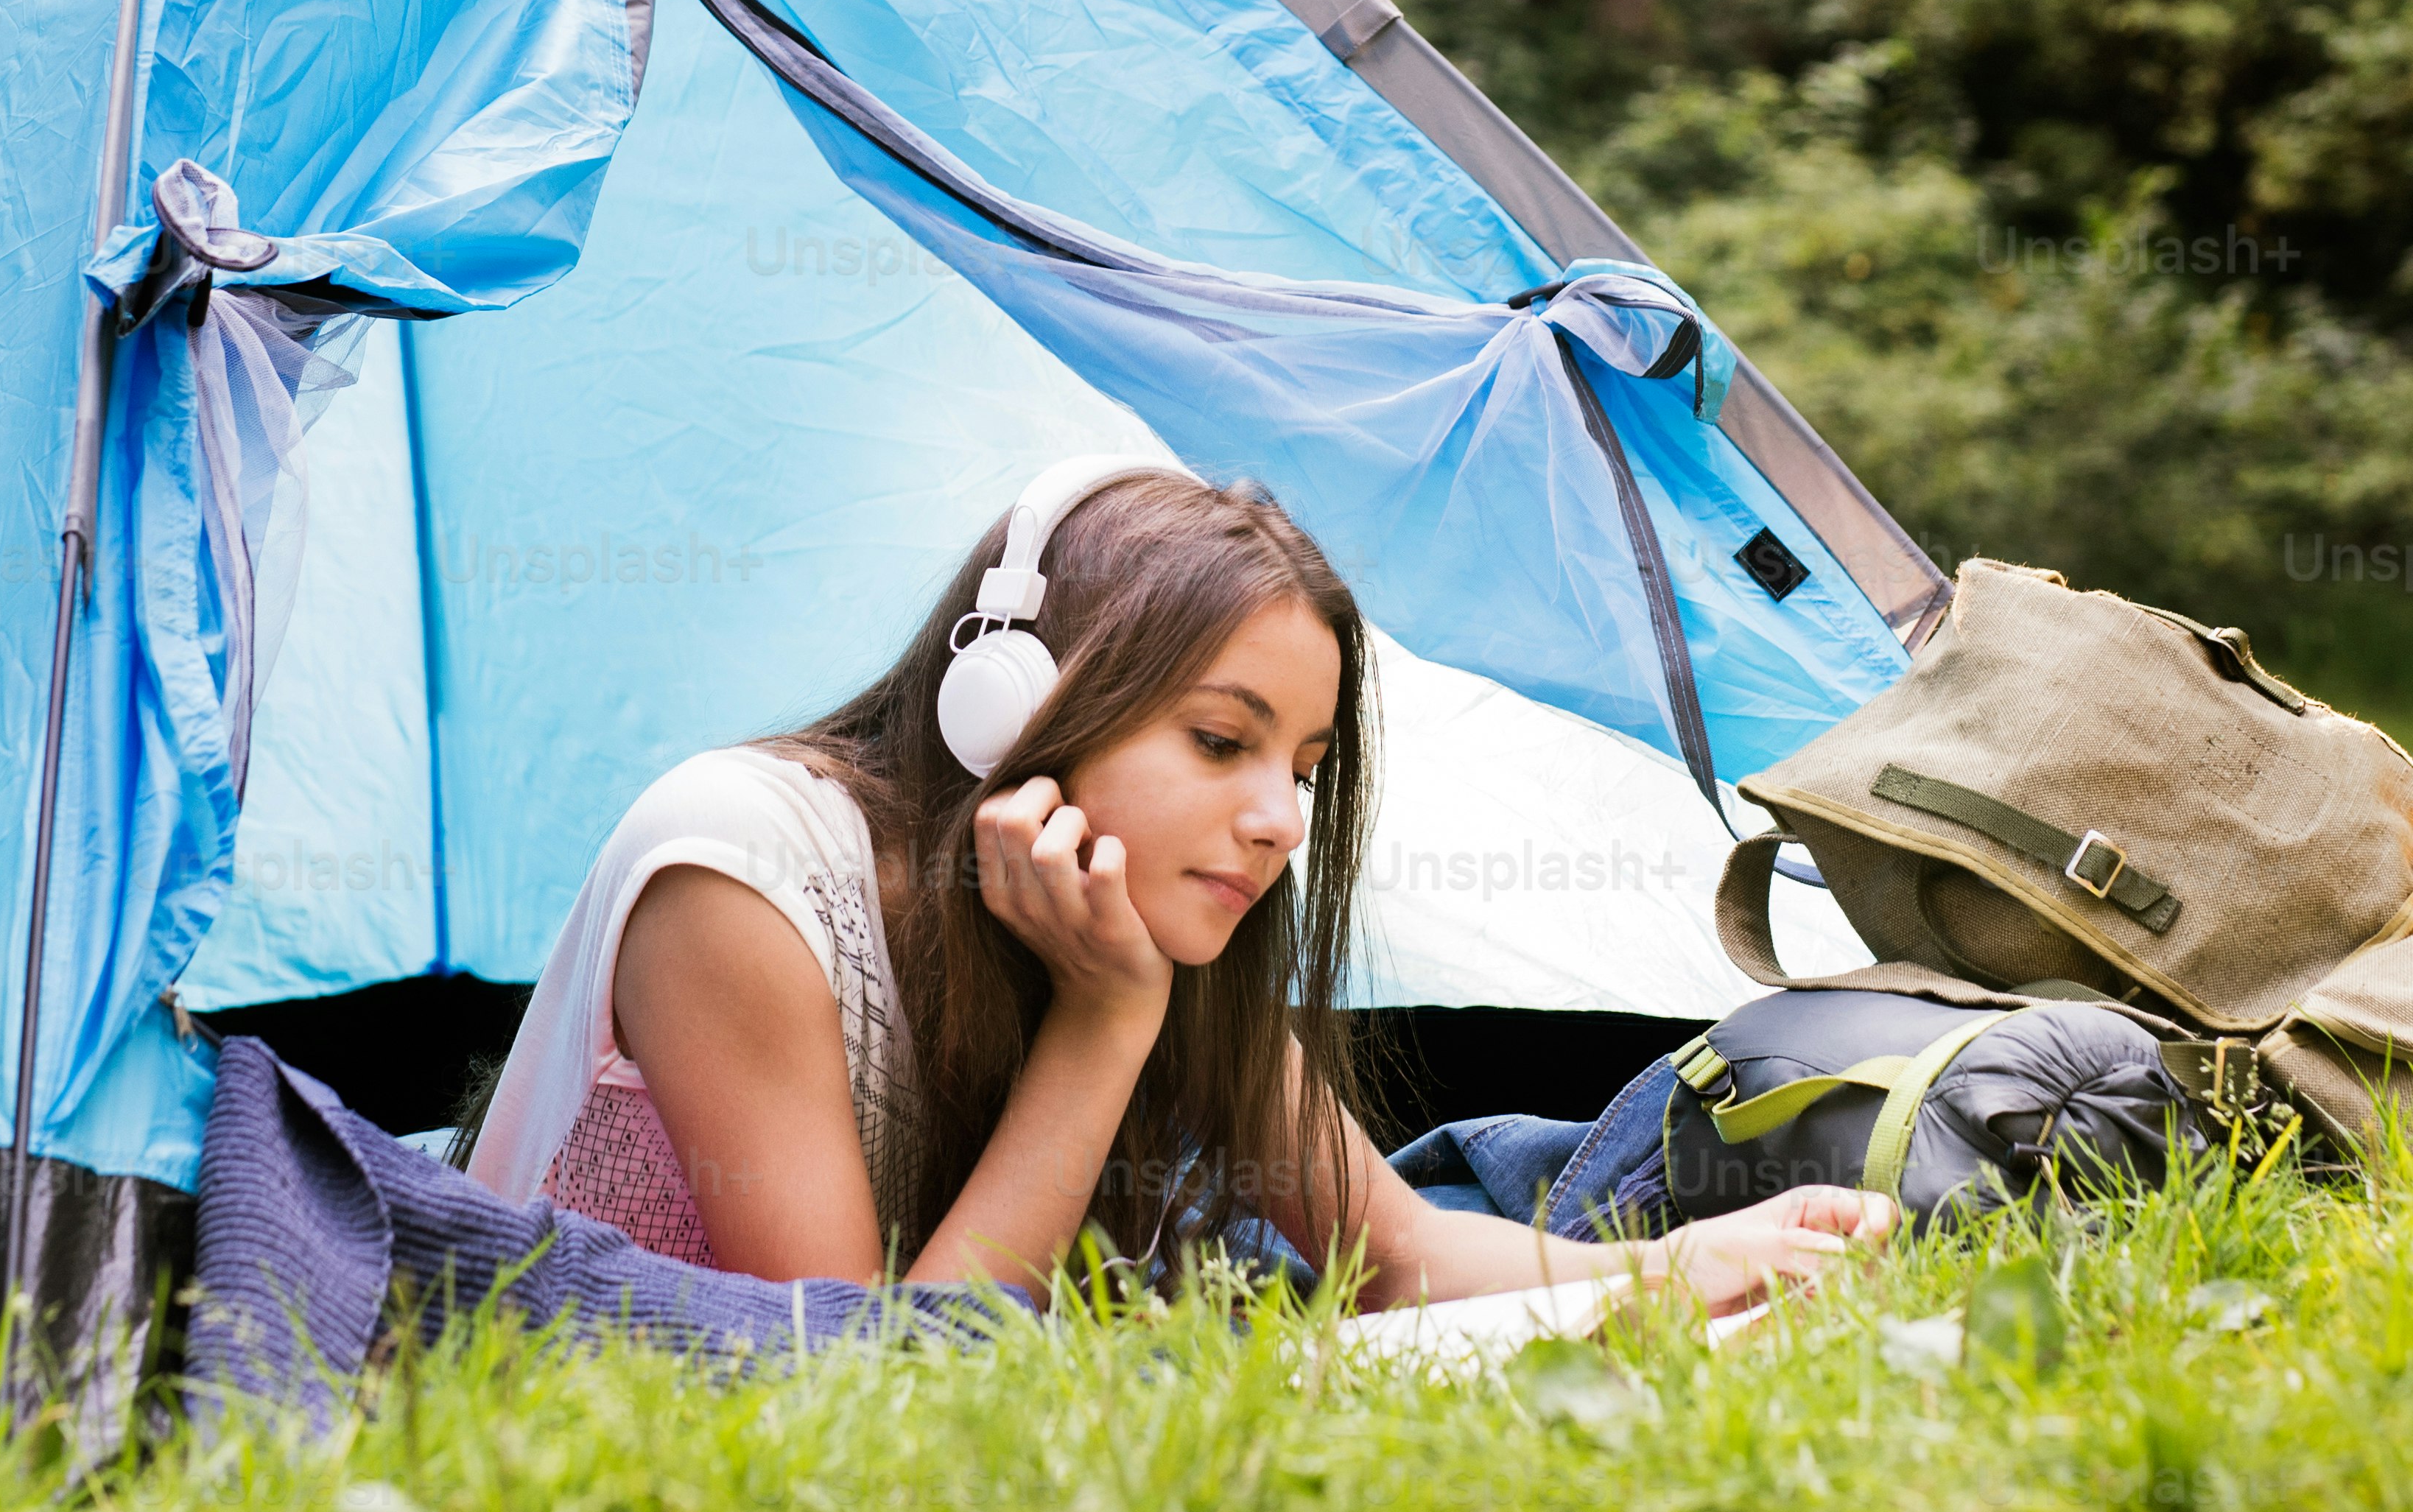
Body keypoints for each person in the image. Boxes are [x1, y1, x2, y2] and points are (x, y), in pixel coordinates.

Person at [468, 460, 1892, 1318]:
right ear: (1011, 707)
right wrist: (1103, 1024)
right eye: (1220, 742)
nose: (1277, 821)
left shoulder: (1145, 910)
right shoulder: (738, 876)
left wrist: (1701, 1257)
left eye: (1306, 768)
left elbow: (1397, 1255)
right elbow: (855, 1390)